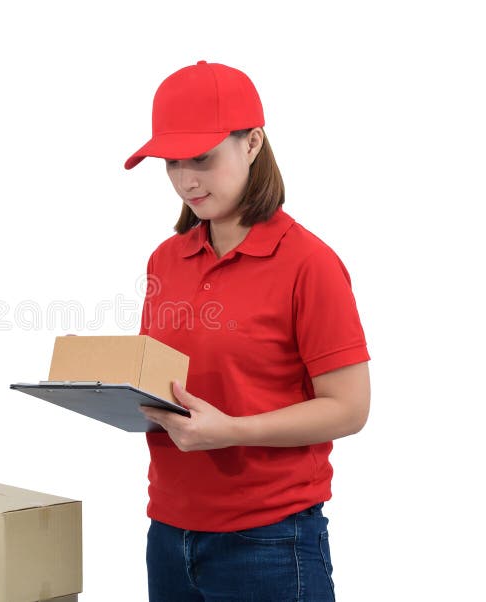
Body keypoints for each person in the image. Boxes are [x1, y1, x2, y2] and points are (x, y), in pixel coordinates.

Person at [126, 61, 371, 602]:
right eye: (171, 161)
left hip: (269, 540)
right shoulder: (166, 260)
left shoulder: (309, 264)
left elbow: (350, 409)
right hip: (167, 532)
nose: (185, 179)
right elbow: (164, 380)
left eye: (203, 159)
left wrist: (232, 430)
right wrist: (108, 389)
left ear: (253, 142)